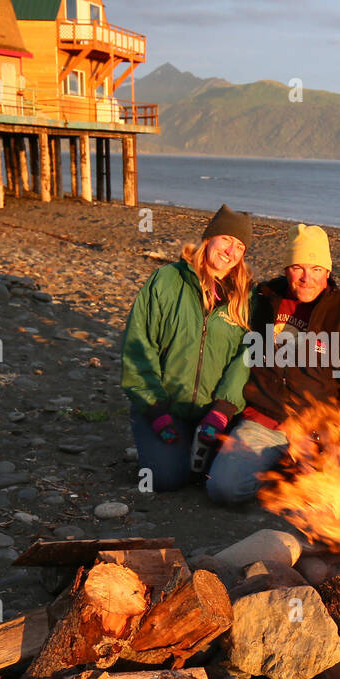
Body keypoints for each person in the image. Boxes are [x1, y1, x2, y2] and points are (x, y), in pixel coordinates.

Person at [207, 224, 340, 504]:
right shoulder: (262, 301)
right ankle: (278, 470)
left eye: (315, 269)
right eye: (298, 267)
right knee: (222, 490)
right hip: (264, 423)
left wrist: (334, 431)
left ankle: (289, 475)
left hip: (319, 430)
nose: (306, 278)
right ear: (286, 268)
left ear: (327, 271)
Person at [120, 204, 254, 492]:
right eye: (227, 240)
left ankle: (201, 443)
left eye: (240, 246)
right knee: (166, 479)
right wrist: (155, 409)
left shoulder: (245, 298)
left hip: (215, 414)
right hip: (166, 407)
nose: (231, 251)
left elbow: (245, 359)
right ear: (210, 238)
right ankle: (158, 433)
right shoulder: (167, 280)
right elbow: (137, 345)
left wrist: (222, 410)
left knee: (219, 480)